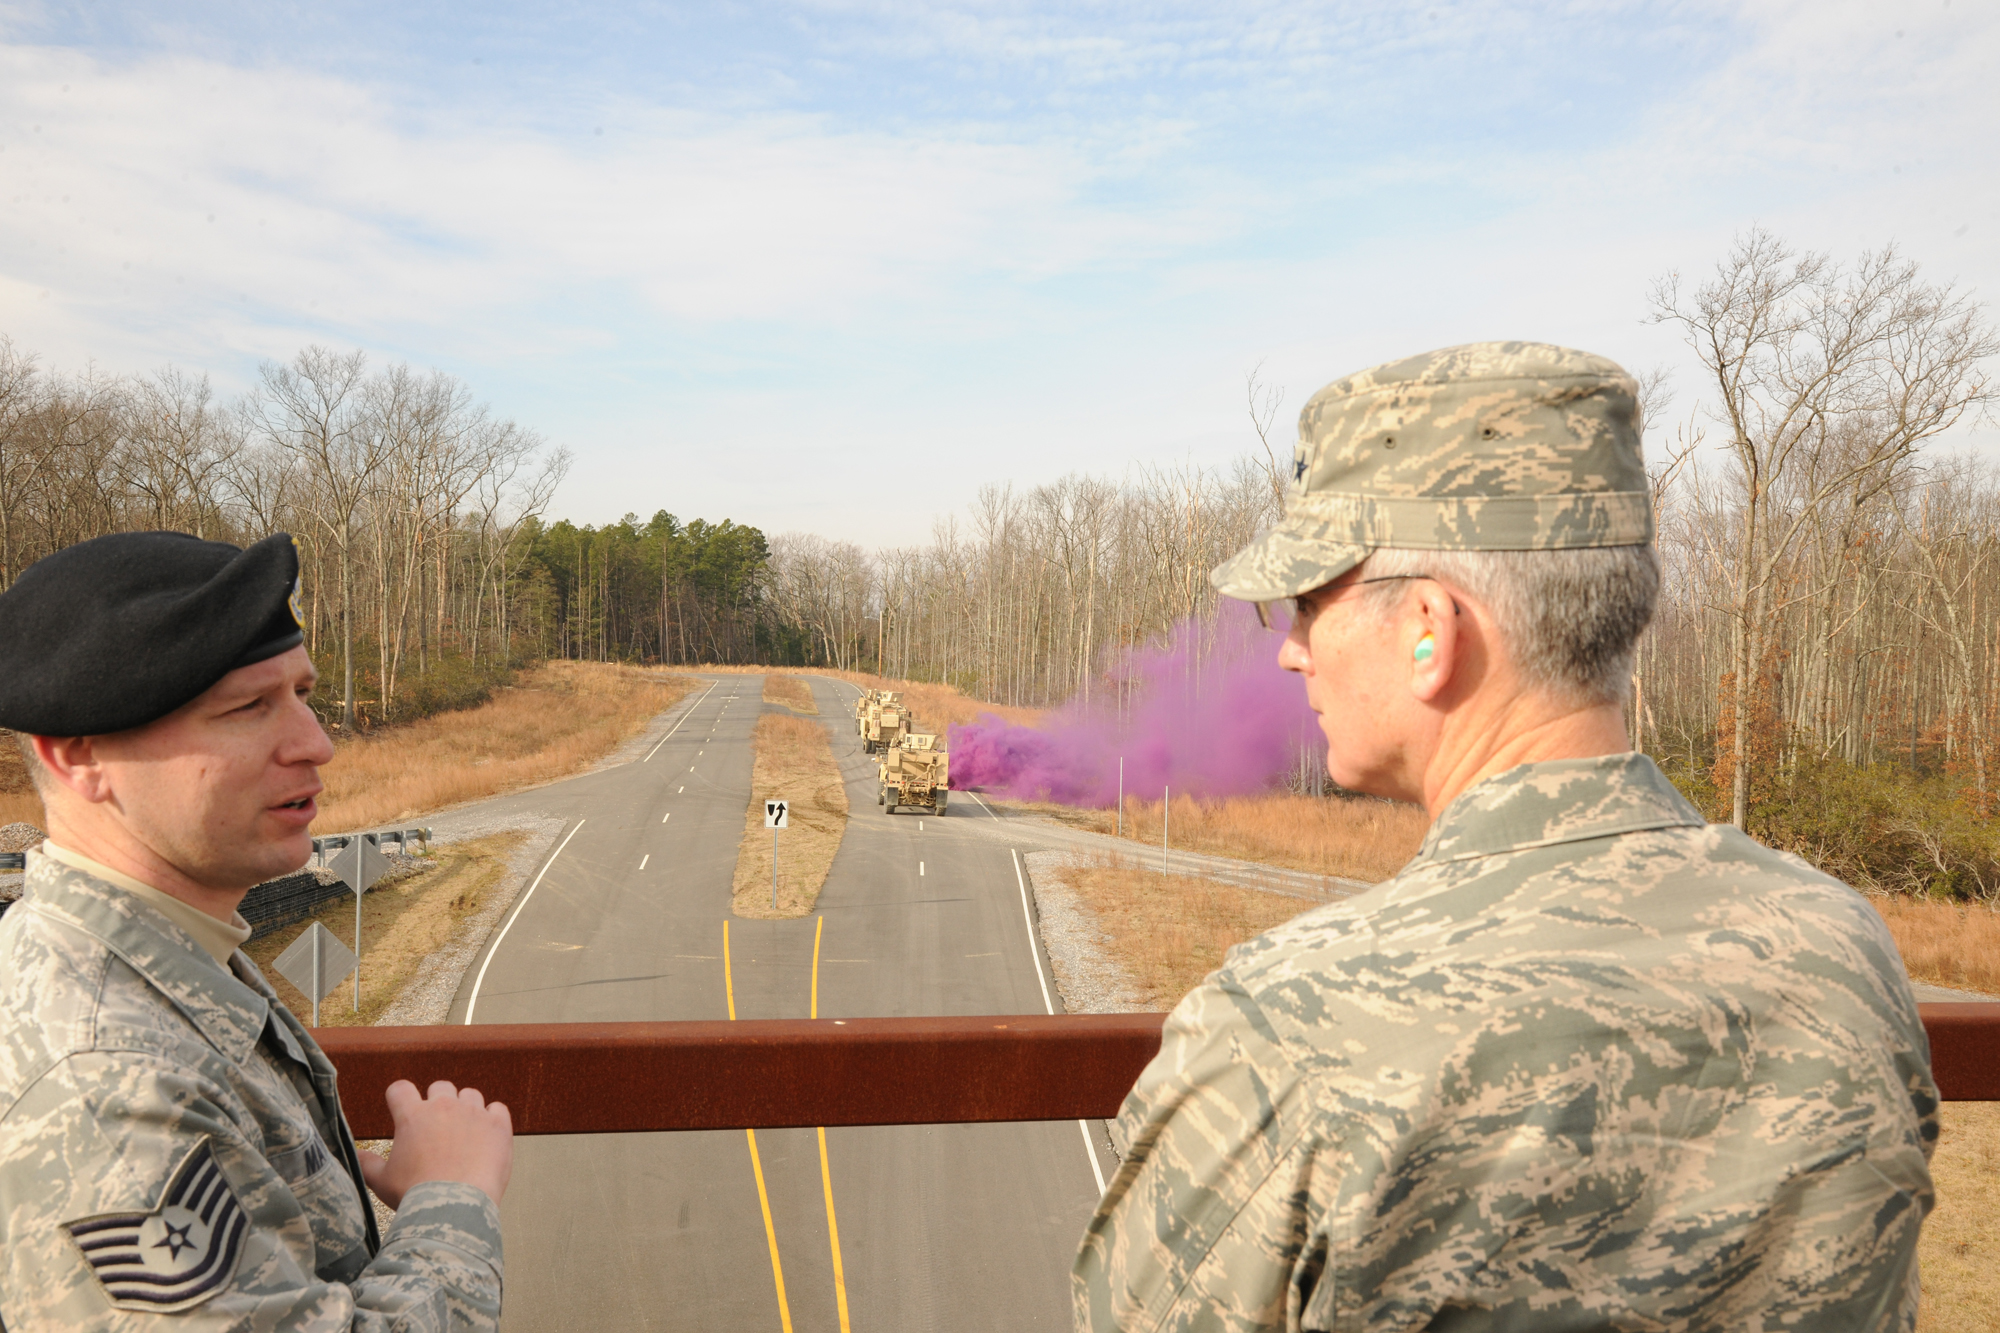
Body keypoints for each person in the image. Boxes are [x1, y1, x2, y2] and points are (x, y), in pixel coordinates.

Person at [1074, 342, 1936, 1331]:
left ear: (1428, 628)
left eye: (1309, 601)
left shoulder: (1285, 1032)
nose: (1289, 649)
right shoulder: (1844, 955)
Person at [0, 531, 513, 1331]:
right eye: (248, 707)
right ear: (79, 756)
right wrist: (453, 1202)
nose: (317, 743)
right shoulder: (107, 1089)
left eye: (302, 694)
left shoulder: (161, 954)